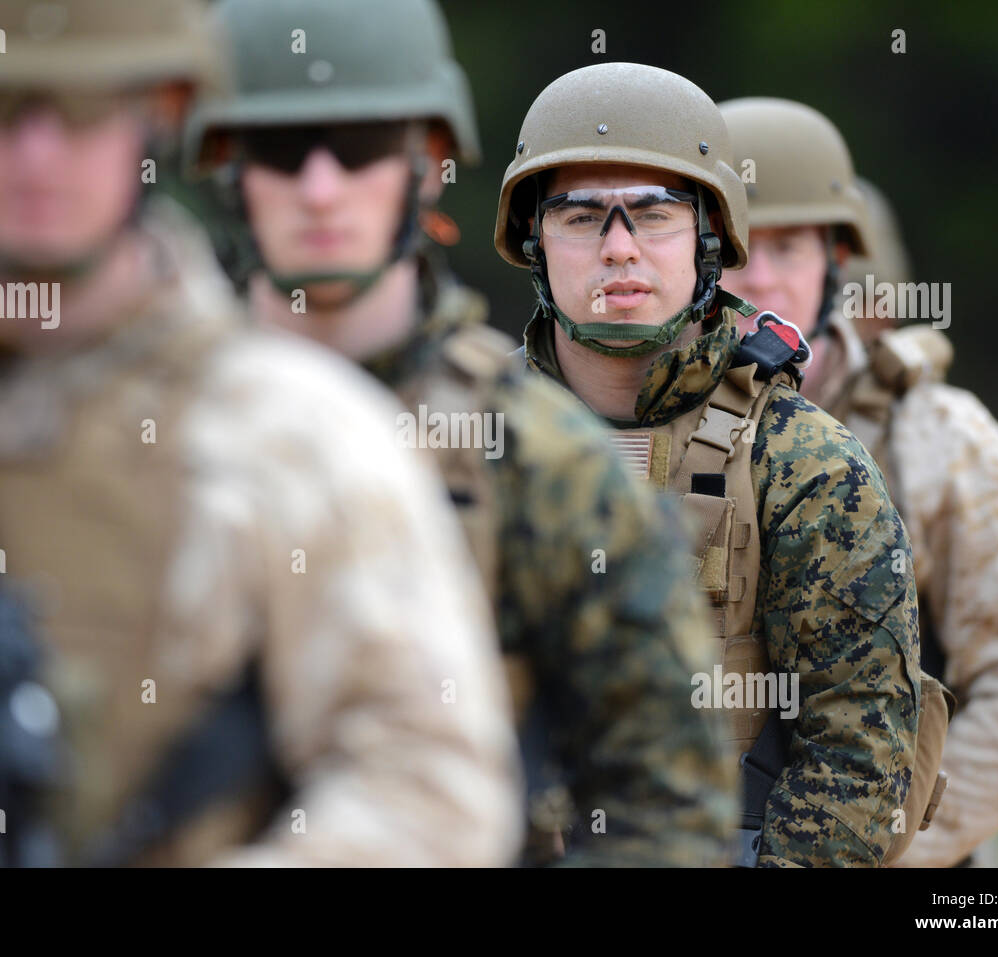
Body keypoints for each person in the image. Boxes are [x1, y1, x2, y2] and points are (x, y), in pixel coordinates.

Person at [0, 0, 522, 867]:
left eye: (82, 109)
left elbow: (433, 793)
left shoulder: (296, 436)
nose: (38, 152)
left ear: (156, 115)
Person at [182, 0, 738, 867]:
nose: (321, 187)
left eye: (362, 146)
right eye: (282, 150)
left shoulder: (545, 458)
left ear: (432, 165)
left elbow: (666, 802)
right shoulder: (156, 436)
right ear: (228, 169)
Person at [497, 62, 929, 867]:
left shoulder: (804, 461)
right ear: (534, 239)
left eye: (654, 214)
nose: (619, 248)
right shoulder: (467, 448)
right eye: (581, 216)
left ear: (708, 238)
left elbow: (857, 751)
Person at [720, 96, 998, 867]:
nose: (760, 279)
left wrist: (878, 839)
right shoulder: (626, 431)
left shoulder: (937, 437)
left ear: (836, 266)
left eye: (788, 247)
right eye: (736, 249)